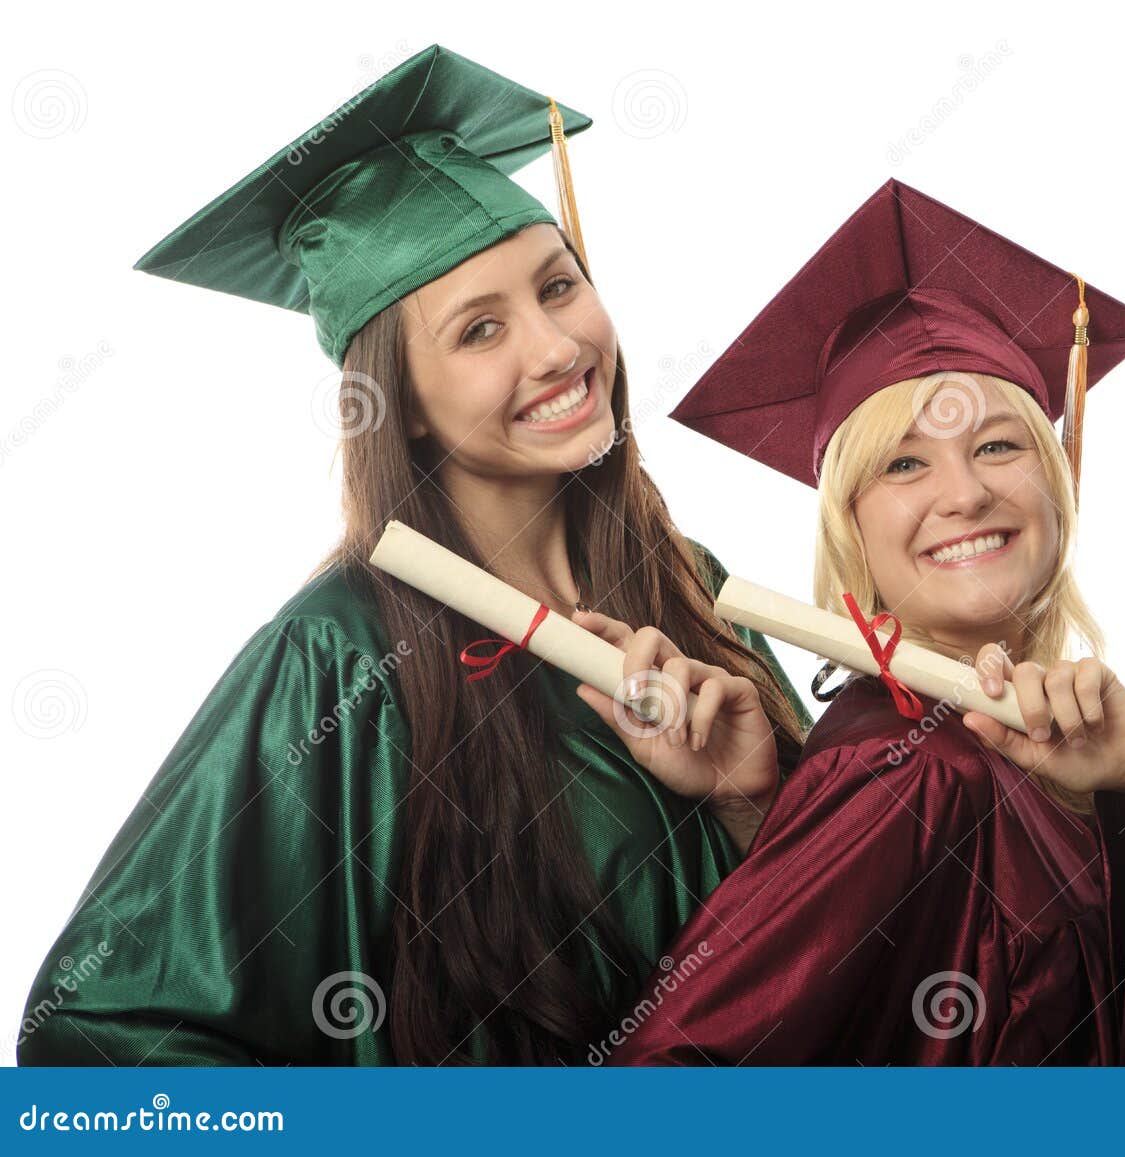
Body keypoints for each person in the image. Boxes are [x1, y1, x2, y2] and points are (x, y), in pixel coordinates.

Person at [15, 45, 809, 1067]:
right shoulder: (339, 657)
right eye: (480, 330)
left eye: (559, 286)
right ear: (404, 408)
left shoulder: (692, 588)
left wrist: (751, 804)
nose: (557, 348)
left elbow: (837, 945)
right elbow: (101, 1036)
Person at [597, 178, 1125, 1065]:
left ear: (1058, 474)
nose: (964, 494)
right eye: (904, 463)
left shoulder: (1013, 745)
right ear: (850, 523)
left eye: (998, 445)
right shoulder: (915, 771)